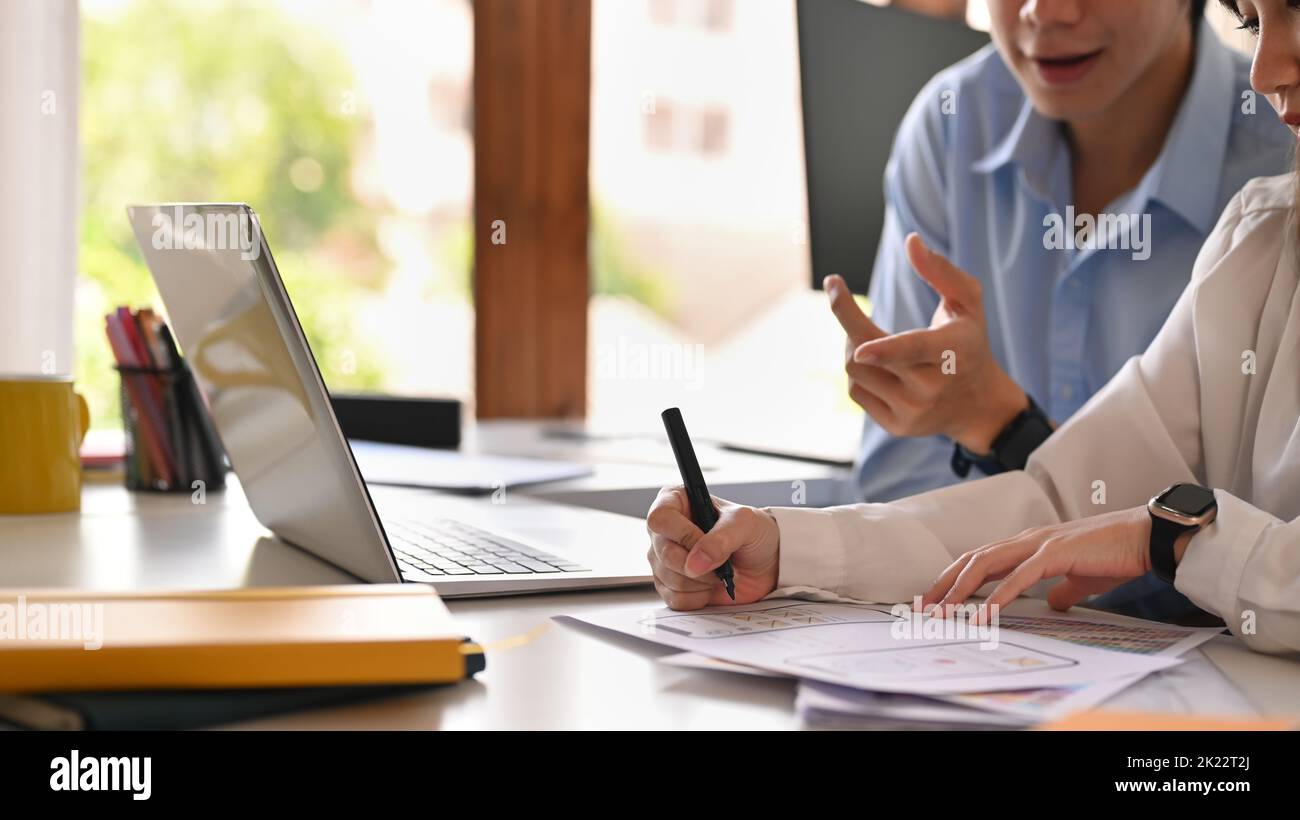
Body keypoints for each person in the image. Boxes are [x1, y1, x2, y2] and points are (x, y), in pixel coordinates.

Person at [644, 0, 1300, 656]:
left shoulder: (1263, 176)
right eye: (1252, 21)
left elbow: (1131, 532)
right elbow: (1062, 508)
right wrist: (785, 547)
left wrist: (1171, 539)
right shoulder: (1264, 235)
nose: (1265, 71)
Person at [827, 0, 1294, 621]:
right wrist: (781, 544)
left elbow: (1250, 553)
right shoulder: (952, 126)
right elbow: (908, 487)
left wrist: (1003, 430)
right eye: (1255, 24)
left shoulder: (1279, 150)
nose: (1044, 12)